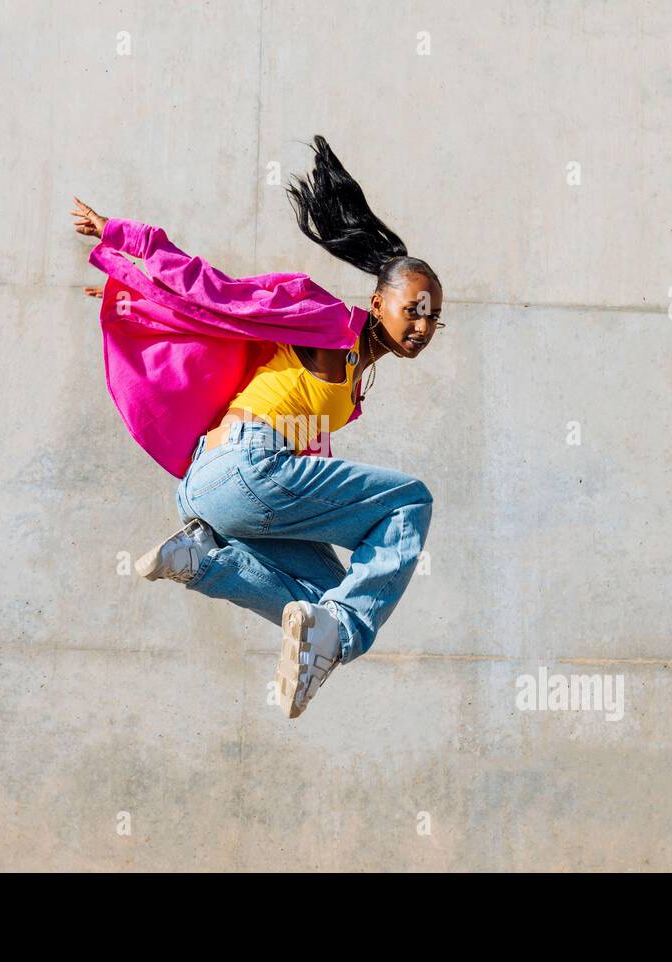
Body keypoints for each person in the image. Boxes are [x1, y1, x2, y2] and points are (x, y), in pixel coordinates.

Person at [74, 136, 443, 719]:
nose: (422, 326)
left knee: (334, 600)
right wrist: (133, 246)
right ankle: (333, 632)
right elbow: (221, 294)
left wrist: (144, 301)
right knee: (410, 504)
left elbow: (308, 455)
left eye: (433, 318)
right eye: (413, 309)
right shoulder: (328, 322)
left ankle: (204, 561)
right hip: (247, 466)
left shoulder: (350, 391)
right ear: (378, 303)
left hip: (212, 490)